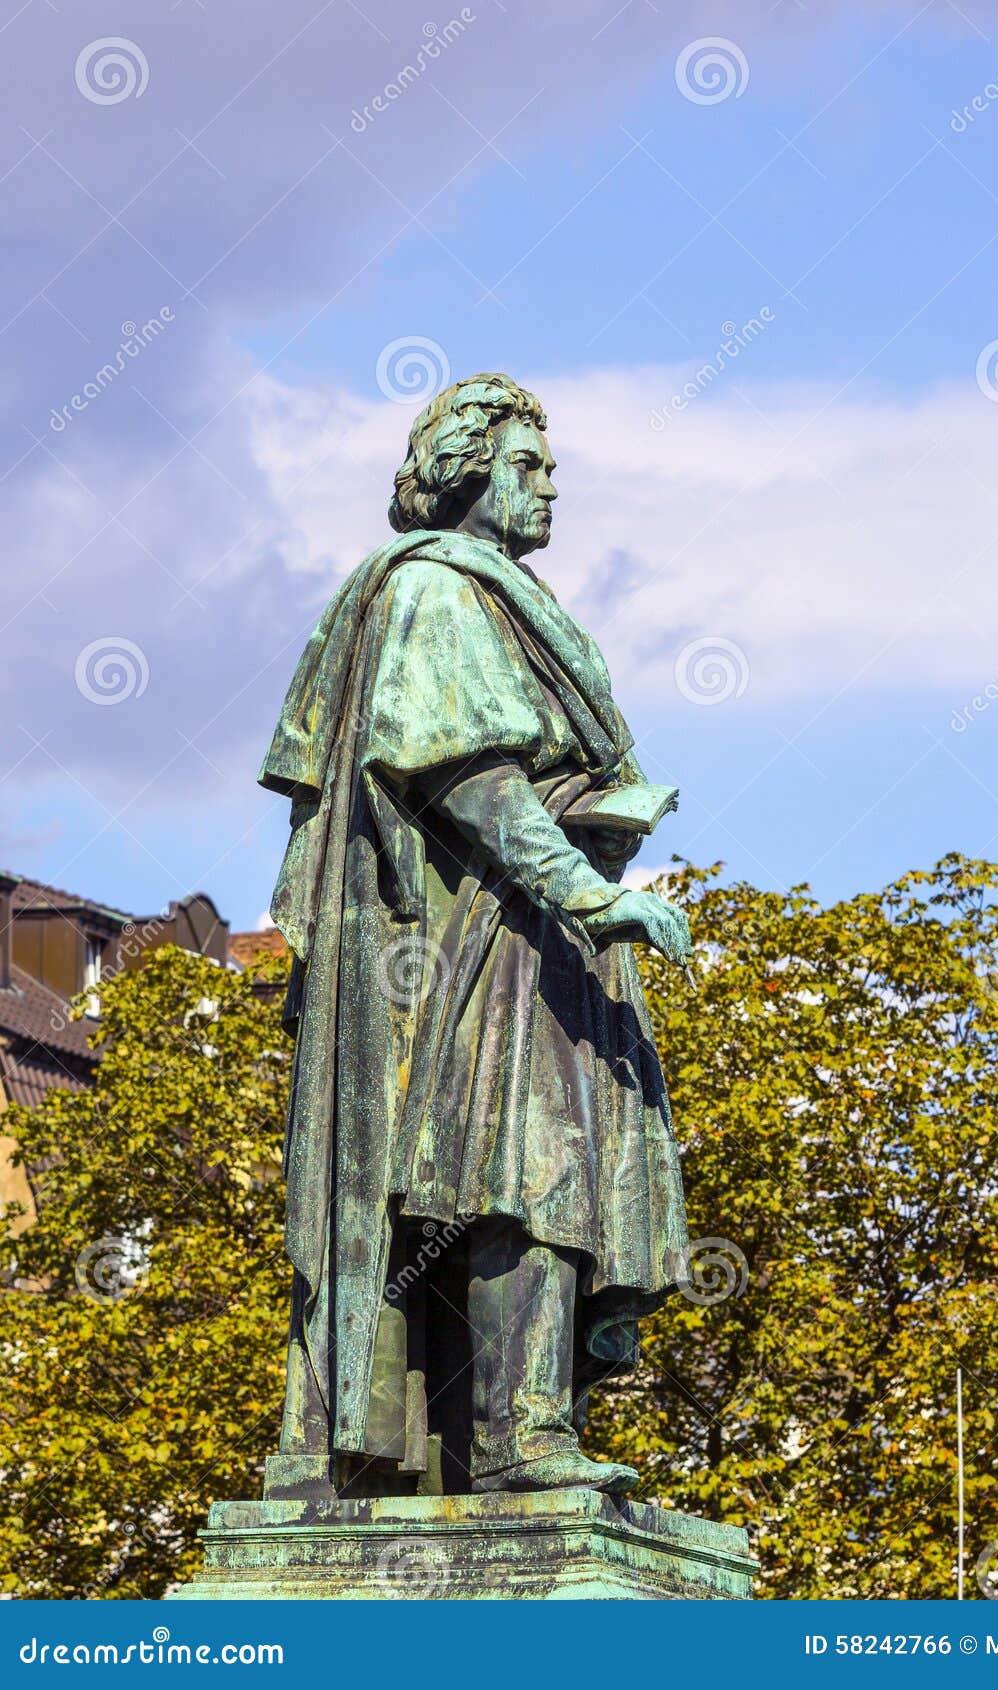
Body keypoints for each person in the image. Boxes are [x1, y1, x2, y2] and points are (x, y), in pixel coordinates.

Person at [259, 372, 691, 1497]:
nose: (553, 488)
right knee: (525, 1172)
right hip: (483, 938)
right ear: (467, 471)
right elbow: (467, 771)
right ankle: (516, 1439)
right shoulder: (437, 591)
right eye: (530, 466)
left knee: (562, 1178)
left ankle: (529, 1427)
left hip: (540, 930)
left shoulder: (508, 595)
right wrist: (589, 892)